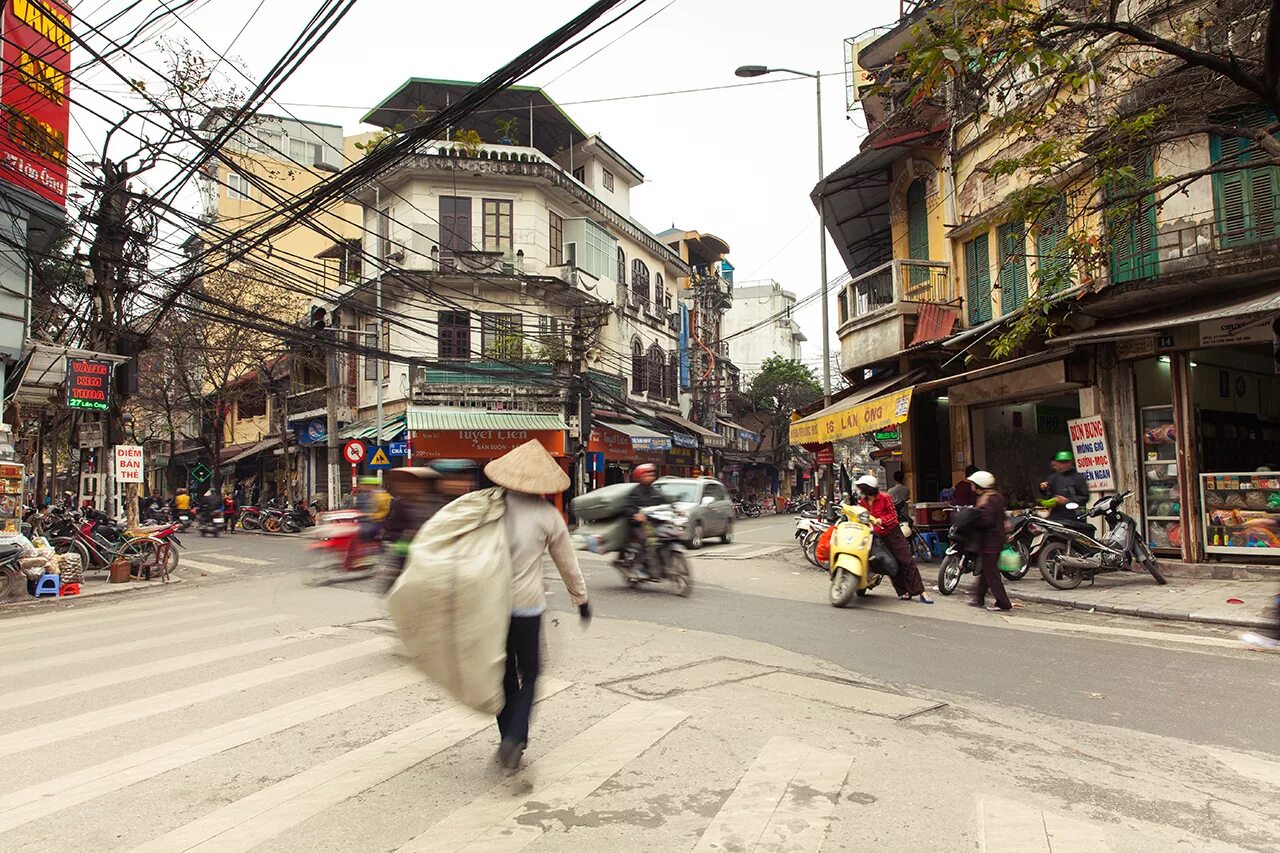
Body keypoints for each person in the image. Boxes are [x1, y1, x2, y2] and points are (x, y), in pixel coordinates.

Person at [483, 439, 589, 771]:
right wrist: (581, 598)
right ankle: (516, 737)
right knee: (530, 674)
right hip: (527, 607)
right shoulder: (548, 515)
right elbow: (567, 562)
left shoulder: (490, 507)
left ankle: (507, 738)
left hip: (492, 606)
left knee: (502, 675)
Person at [855, 475, 933, 604]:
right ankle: (903, 591)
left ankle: (921, 592)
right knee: (890, 563)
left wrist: (882, 520)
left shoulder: (884, 497)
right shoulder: (862, 502)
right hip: (875, 535)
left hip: (892, 533)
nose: (859, 491)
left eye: (861, 488)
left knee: (906, 561)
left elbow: (893, 516)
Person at [378, 467, 449, 591]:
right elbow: (391, 529)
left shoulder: (439, 504)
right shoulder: (398, 504)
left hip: (432, 555)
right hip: (404, 554)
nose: (408, 487)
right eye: (405, 483)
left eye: (413, 483)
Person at [968, 470, 1013, 612]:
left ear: (979, 485)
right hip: (996, 538)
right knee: (986, 570)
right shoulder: (996, 496)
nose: (971, 487)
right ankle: (978, 598)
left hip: (990, 540)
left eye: (973, 484)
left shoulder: (988, 500)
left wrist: (972, 519)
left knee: (991, 573)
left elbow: (986, 520)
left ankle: (1003, 602)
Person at [622, 463, 665, 576]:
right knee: (647, 540)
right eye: (647, 474)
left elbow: (665, 503)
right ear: (640, 476)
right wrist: (636, 514)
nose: (650, 476)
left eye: (652, 474)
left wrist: (676, 509)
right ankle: (639, 566)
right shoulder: (635, 492)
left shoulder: (655, 492)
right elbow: (627, 507)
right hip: (638, 526)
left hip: (654, 524)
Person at [1040, 451, 1089, 523]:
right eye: (1061, 462)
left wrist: (1067, 501)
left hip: (1074, 517)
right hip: (1056, 517)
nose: (1063, 465)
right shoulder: (1053, 477)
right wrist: (1043, 489)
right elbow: (1048, 496)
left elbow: (1085, 497)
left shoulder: (1078, 478)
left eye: (1066, 462)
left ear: (1071, 462)